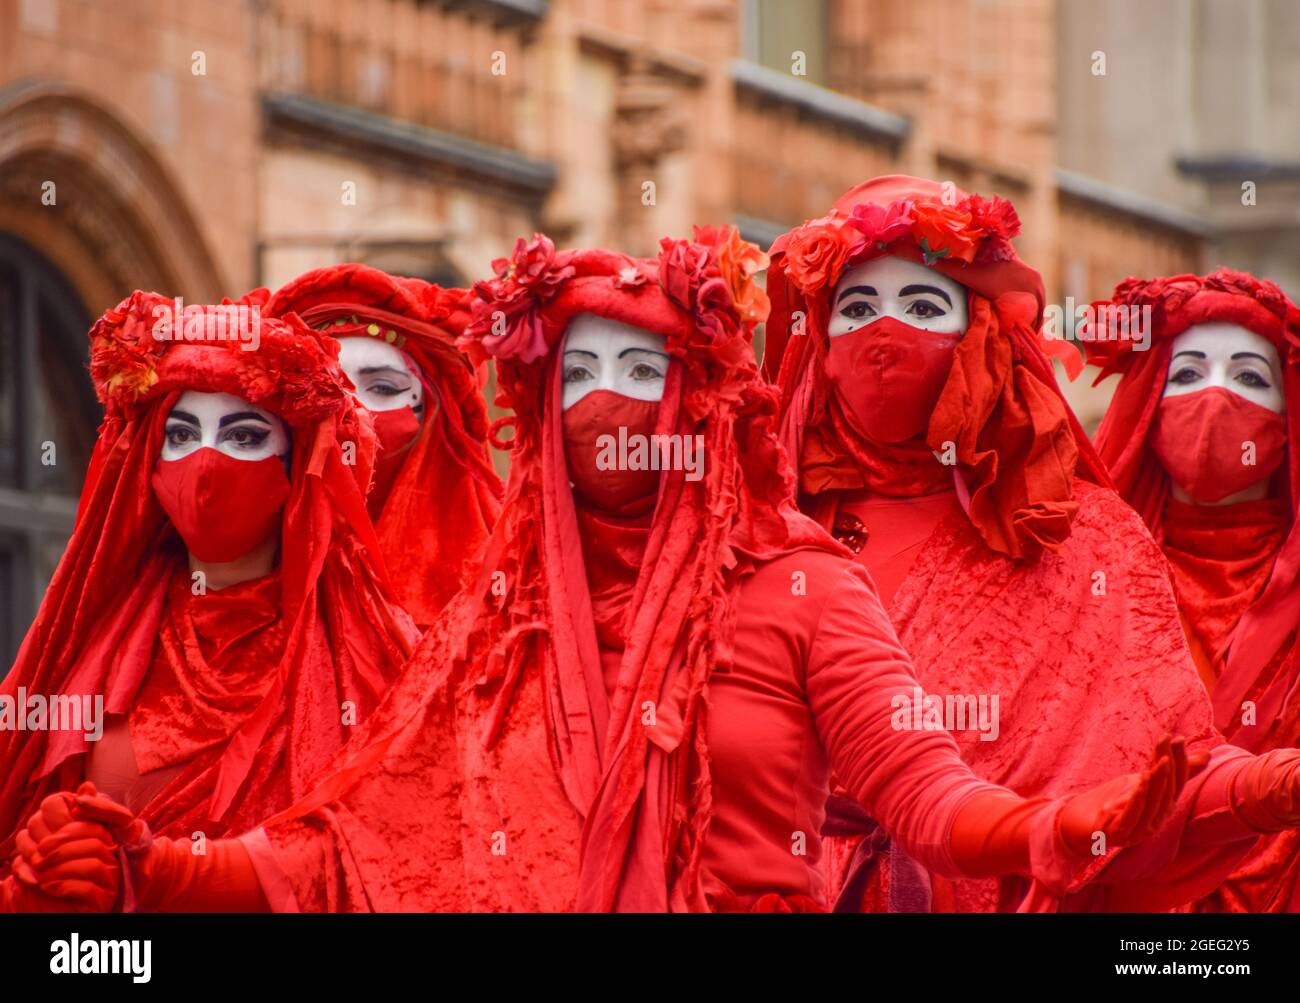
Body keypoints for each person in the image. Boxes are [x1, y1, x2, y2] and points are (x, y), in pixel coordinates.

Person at [3, 231, 1226, 913]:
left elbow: (928, 797)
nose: (606, 407)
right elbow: (347, 854)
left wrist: (1067, 824)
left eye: (642, 377)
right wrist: (149, 870)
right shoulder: (486, 630)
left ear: (698, 402)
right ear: (535, 408)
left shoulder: (802, 584)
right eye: (578, 376)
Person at [763, 175, 1300, 912]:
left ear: (981, 335)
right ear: (820, 345)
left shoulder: (1084, 539)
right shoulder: (761, 534)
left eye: (922, 306)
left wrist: (1266, 786)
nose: (884, 333)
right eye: (856, 308)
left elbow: (1156, 783)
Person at [0, 293, 419, 908]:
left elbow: (391, 847)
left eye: (245, 435)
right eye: (181, 433)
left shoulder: (378, 655)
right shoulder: (90, 647)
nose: (205, 461)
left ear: (296, 463)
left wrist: (172, 873)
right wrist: (42, 885)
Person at [1087, 269, 1300, 911]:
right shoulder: (1081, 574)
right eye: (1185, 375)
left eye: (1249, 377)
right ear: (1147, 407)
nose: (1214, 396)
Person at [263, 266, 501, 626]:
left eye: (384, 388)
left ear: (433, 414)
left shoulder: (505, 590)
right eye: (328, 386)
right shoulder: (240, 579)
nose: (350, 409)